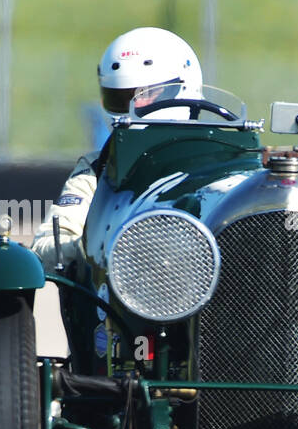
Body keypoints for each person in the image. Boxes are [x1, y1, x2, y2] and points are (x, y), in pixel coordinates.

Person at [31, 27, 203, 270]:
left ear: (182, 87)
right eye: (123, 97)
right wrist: (102, 246)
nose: (136, 105)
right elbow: (47, 247)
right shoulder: (97, 168)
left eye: (149, 93)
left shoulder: (221, 163)